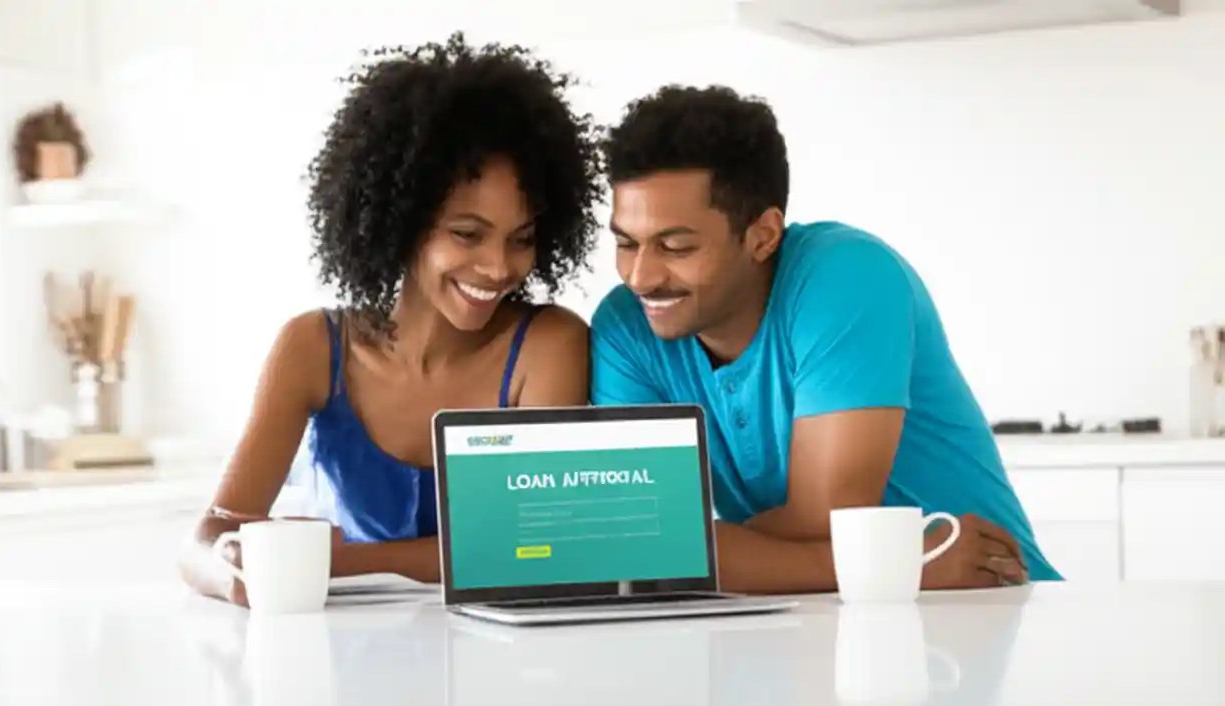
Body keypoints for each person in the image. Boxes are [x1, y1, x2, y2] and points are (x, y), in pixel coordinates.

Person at [180, 33, 604, 607]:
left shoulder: (547, 346)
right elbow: (206, 537)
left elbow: (526, 542)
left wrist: (334, 562)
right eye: (466, 234)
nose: (499, 266)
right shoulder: (312, 346)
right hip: (343, 662)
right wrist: (233, 567)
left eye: (521, 239)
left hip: (499, 663)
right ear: (400, 223)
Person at [590, 84, 1062, 595]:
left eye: (676, 246)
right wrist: (906, 568)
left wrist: (687, 554)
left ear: (763, 235)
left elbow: (829, 521)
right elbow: (639, 542)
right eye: (625, 243)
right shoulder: (624, 329)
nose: (640, 276)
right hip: (821, 618)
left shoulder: (845, 275)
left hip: (988, 608)